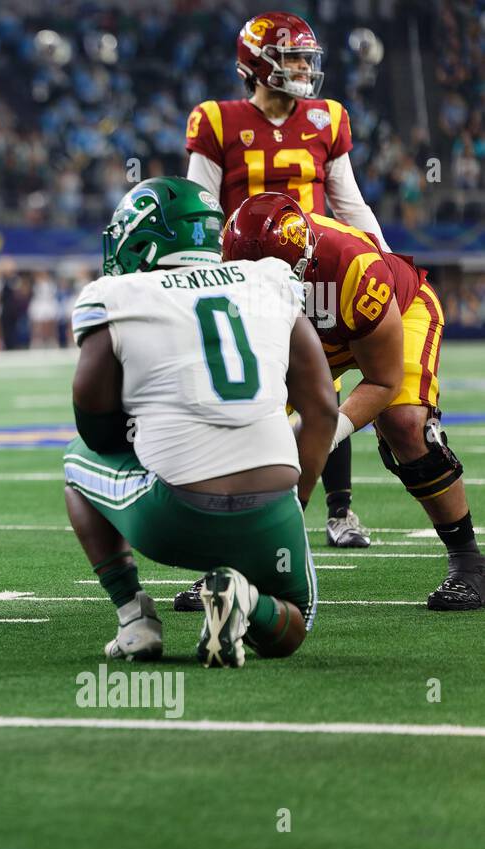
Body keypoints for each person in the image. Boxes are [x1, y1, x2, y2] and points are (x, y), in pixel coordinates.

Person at [65, 177, 336, 667]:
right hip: (273, 507)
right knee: (293, 623)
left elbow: (94, 424)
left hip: (175, 513)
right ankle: (247, 602)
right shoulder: (269, 280)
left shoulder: (120, 295)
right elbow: (322, 408)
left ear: (145, 236)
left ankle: (136, 620)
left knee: (76, 464)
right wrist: (294, 502)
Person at [183, 10, 386, 567]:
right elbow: (202, 206)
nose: (302, 67)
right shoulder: (217, 120)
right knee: (254, 396)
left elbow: (348, 201)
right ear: (255, 64)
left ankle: (339, 510)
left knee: (325, 387)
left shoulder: (328, 117)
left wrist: (383, 258)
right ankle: (244, 521)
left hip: (314, 272)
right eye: (292, 56)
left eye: (305, 57)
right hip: (245, 279)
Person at [224, 191, 483, 610]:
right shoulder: (230, 262)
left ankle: (469, 563)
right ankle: (228, 567)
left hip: (394, 314)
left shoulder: (354, 266)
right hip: (310, 335)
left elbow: (382, 380)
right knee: (239, 433)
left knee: (406, 427)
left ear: (304, 263)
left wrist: (325, 433)